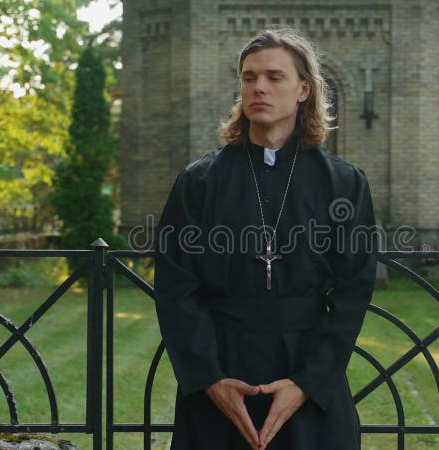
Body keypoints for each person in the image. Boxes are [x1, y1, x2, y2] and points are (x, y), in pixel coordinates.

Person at [154, 27, 377, 450]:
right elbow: (174, 286)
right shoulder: (200, 181)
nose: (259, 87)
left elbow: (355, 288)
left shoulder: (344, 184)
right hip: (222, 373)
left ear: (303, 89)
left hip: (308, 375)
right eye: (248, 77)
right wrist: (210, 378)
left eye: (274, 77)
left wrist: (308, 382)